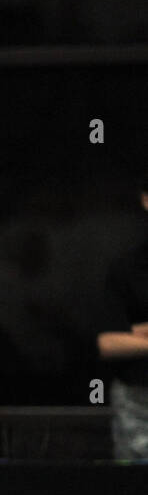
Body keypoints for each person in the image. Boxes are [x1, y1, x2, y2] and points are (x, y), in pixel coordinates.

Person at [96, 176, 148, 460]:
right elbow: (109, 343)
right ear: (145, 200)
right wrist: (126, 336)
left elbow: (124, 335)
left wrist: (136, 332)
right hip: (137, 405)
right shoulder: (125, 268)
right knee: (134, 492)